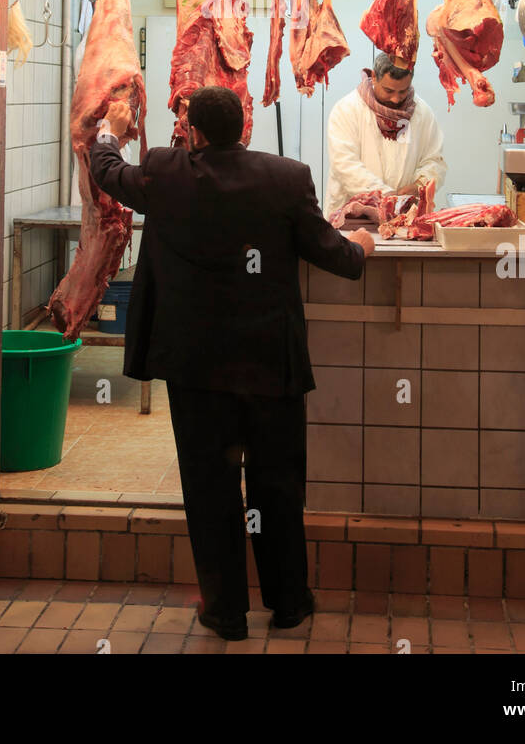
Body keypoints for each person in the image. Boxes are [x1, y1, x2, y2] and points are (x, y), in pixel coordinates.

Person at [90, 85, 375, 641]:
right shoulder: (287, 177)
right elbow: (332, 252)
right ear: (244, 128)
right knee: (279, 485)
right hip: (271, 363)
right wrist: (361, 244)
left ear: (192, 132)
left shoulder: (164, 173)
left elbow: (108, 171)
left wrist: (110, 130)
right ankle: (289, 602)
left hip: (197, 370)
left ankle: (224, 612)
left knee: (210, 488)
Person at [324, 50, 446, 219]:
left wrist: (419, 185)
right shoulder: (347, 109)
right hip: (353, 217)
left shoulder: (423, 113)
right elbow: (345, 165)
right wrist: (388, 198)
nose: (396, 99)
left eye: (403, 91)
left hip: (404, 217)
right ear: (374, 77)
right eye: (389, 91)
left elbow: (434, 160)